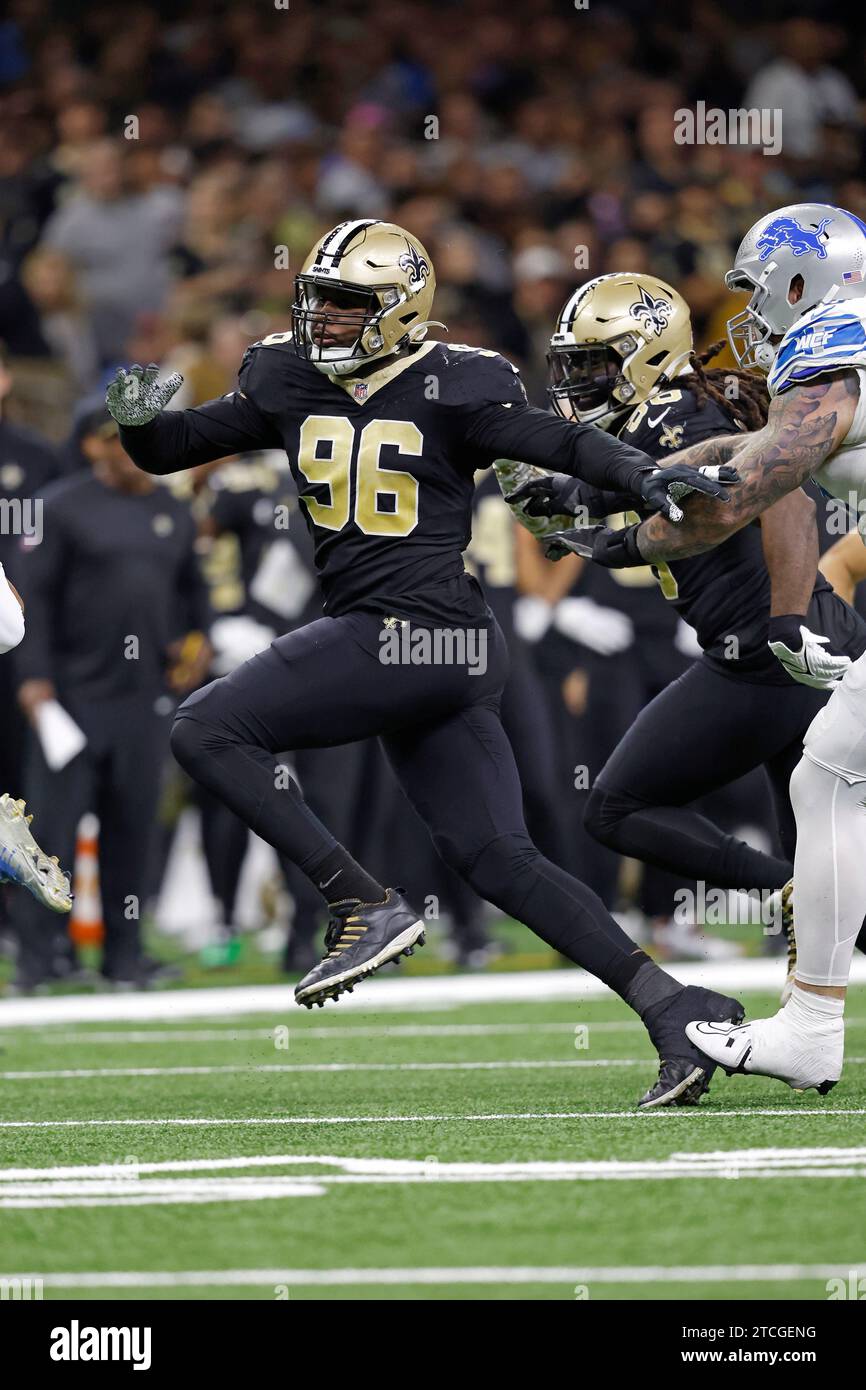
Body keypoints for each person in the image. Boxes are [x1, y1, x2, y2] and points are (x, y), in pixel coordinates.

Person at [106, 217, 742, 1109]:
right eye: (316, 299)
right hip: (435, 646)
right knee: (498, 857)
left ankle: (360, 902)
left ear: (401, 309)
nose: (321, 317)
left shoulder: (462, 379)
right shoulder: (283, 372)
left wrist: (643, 474)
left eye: (344, 303)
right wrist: (136, 419)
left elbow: (557, 442)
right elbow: (176, 448)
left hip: (412, 627)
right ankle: (677, 1010)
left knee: (206, 726)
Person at [538, 205, 866, 1097]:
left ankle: (800, 989)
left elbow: (776, 493)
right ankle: (808, 1020)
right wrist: (588, 496)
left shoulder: (821, 349)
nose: (752, 314)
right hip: (777, 651)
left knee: (632, 806)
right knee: (829, 811)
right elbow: (732, 456)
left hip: (775, 651)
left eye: (762, 290)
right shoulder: (716, 402)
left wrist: (612, 542)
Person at [12, 406, 211, 989]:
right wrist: (35, 681)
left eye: (137, 443)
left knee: (134, 830)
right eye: (115, 443)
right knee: (51, 835)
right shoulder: (58, 508)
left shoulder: (172, 511)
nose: (126, 453)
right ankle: (40, 958)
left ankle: (125, 955)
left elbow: (193, 599)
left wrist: (196, 647)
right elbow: (31, 604)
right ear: (93, 448)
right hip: (71, 698)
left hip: (143, 699)